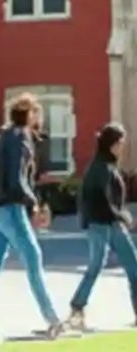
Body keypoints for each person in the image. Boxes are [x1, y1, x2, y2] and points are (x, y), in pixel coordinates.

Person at [0, 93, 69, 344]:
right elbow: (17, 179)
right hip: (11, 207)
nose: (39, 118)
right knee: (32, 256)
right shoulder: (21, 137)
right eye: (36, 112)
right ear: (30, 114)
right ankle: (53, 321)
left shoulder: (4, 137)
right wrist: (33, 204)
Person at [67, 123, 137, 330]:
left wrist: (119, 216)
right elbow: (102, 201)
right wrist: (122, 216)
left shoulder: (105, 165)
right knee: (98, 266)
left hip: (109, 223)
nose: (122, 147)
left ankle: (78, 306)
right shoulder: (101, 168)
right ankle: (77, 307)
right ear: (111, 144)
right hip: (102, 224)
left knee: (130, 267)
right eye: (120, 143)